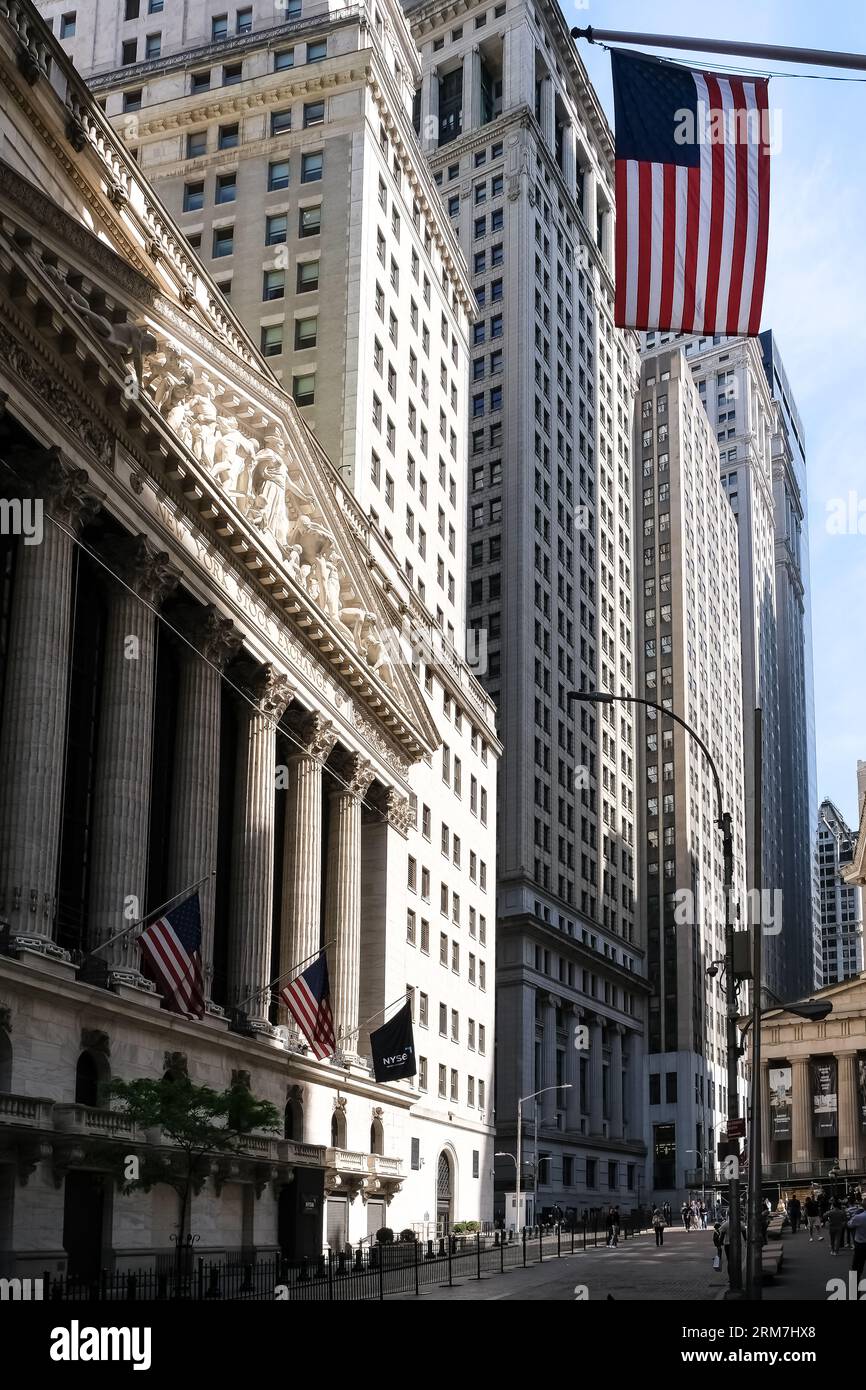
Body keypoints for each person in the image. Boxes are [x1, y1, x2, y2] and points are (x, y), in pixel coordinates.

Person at [849, 1200, 866, 1281]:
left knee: (856, 1267)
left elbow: (850, 1224)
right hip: (861, 1244)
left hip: (861, 1244)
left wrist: (854, 1216)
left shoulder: (859, 1217)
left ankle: (854, 1287)